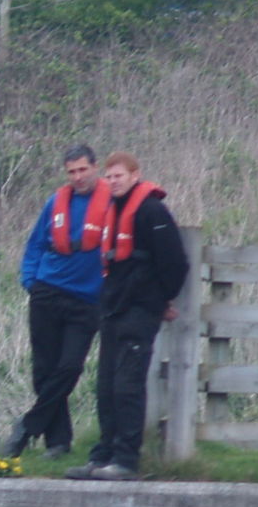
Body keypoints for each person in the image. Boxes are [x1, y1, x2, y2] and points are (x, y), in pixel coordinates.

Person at [70, 152, 188, 481]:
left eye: (119, 176)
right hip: (113, 308)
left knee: (127, 386)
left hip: (140, 310)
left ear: (135, 175)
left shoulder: (152, 211)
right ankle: (103, 454)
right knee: (105, 385)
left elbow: (176, 264)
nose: (113, 181)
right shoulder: (113, 210)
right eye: (109, 177)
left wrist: (160, 300)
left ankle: (126, 459)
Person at [4, 144, 104, 459]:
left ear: (94, 167)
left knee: (70, 366)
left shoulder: (112, 202)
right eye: (71, 171)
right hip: (47, 292)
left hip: (87, 300)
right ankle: (58, 443)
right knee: (44, 370)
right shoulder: (55, 203)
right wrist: (30, 281)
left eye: (83, 170)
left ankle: (28, 426)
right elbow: (35, 244)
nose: (78, 177)